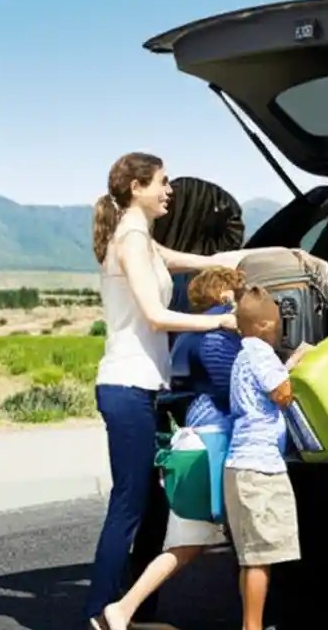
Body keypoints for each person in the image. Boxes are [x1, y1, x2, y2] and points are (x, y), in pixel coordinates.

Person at [84, 151, 279, 628]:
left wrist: (257, 260)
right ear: (137, 188)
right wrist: (226, 323)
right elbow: (155, 315)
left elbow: (205, 261)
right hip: (125, 386)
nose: (170, 190)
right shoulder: (130, 242)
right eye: (163, 183)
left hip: (144, 388)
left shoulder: (144, 242)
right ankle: (101, 614)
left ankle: (131, 612)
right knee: (129, 506)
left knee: (150, 507)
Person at [92, 267, 247, 630]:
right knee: (247, 538)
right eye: (238, 293)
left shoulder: (192, 335)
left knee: (189, 541)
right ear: (224, 295)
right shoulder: (216, 333)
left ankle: (122, 610)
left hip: (195, 438)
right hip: (214, 443)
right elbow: (236, 387)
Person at [224, 286, 315, 630]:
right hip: (260, 469)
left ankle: (251, 624)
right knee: (262, 557)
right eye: (277, 322)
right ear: (264, 326)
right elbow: (282, 393)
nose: (279, 328)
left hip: (242, 466)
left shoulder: (244, 354)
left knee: (250, 559)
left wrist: (291, 362)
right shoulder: (261, 353)